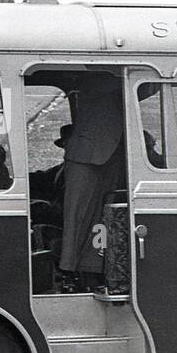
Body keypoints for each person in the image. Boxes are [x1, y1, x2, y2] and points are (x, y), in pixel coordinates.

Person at [59, 72, 127, 287]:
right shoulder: (97, 74)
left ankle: (93, 268)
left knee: (103, 219)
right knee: (77, 216)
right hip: (86, 156)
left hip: (112, 155)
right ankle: (68, 269)